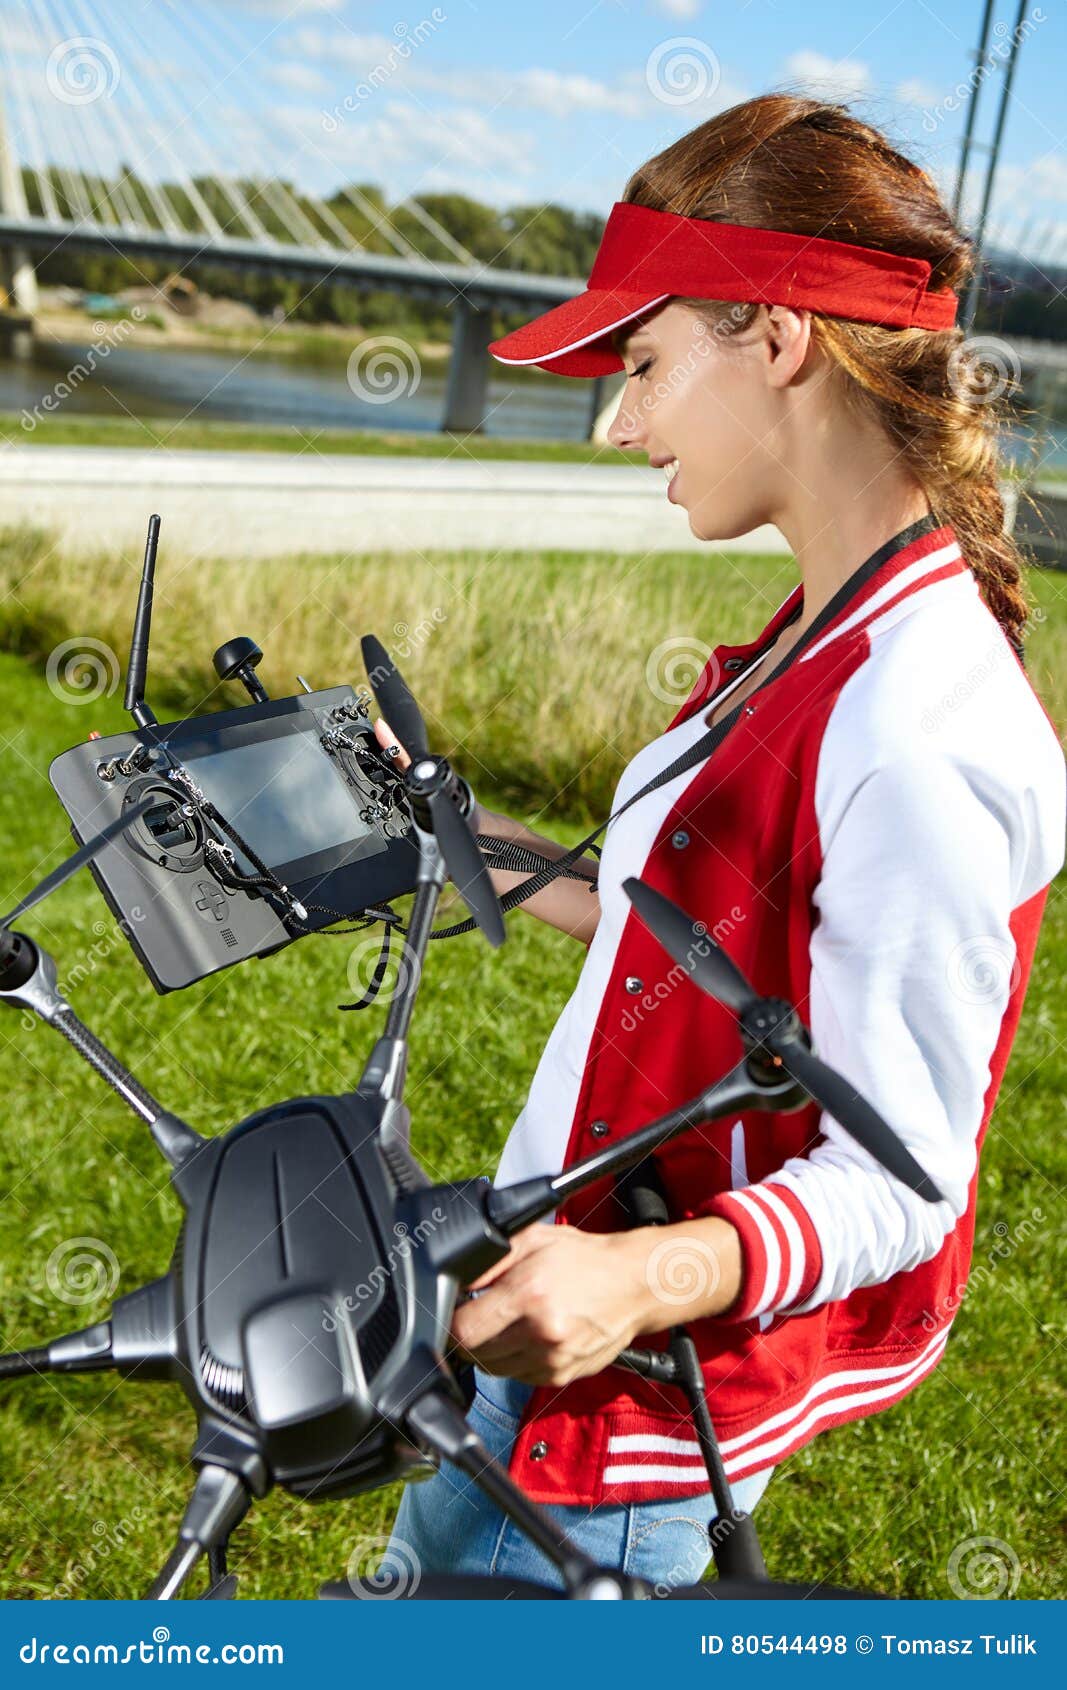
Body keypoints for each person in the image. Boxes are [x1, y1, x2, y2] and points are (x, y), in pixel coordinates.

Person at [373, 93, 1066, 1594]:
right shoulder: (819, 630)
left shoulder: (919, 724)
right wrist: (449, 828)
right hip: (561, 1371)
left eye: (640, 363)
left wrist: (634, 1277)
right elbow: (688, 920)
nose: (620, 424)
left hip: (621, 1429)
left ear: (777, 336)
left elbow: (904, 1180)